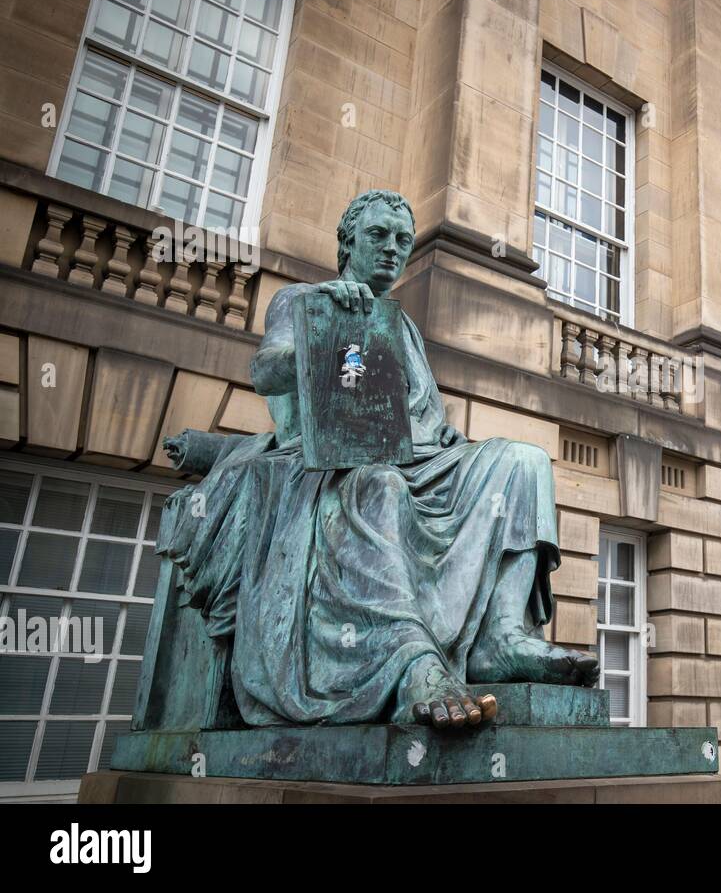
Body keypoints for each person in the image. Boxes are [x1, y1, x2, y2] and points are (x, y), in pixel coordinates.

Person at [158, 190, 598, 730]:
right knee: (378, 486)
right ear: (347, 242)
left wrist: (449, 443)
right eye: (378, 236)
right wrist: (330, 331)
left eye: (402, 240)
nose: (393, 249)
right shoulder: (303, 300)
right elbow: (267, 371)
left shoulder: (403, 325)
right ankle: (411, 660)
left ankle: (503, 635)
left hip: (422, 460)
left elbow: (420, 419)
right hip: (332, 464)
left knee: (524, 459)